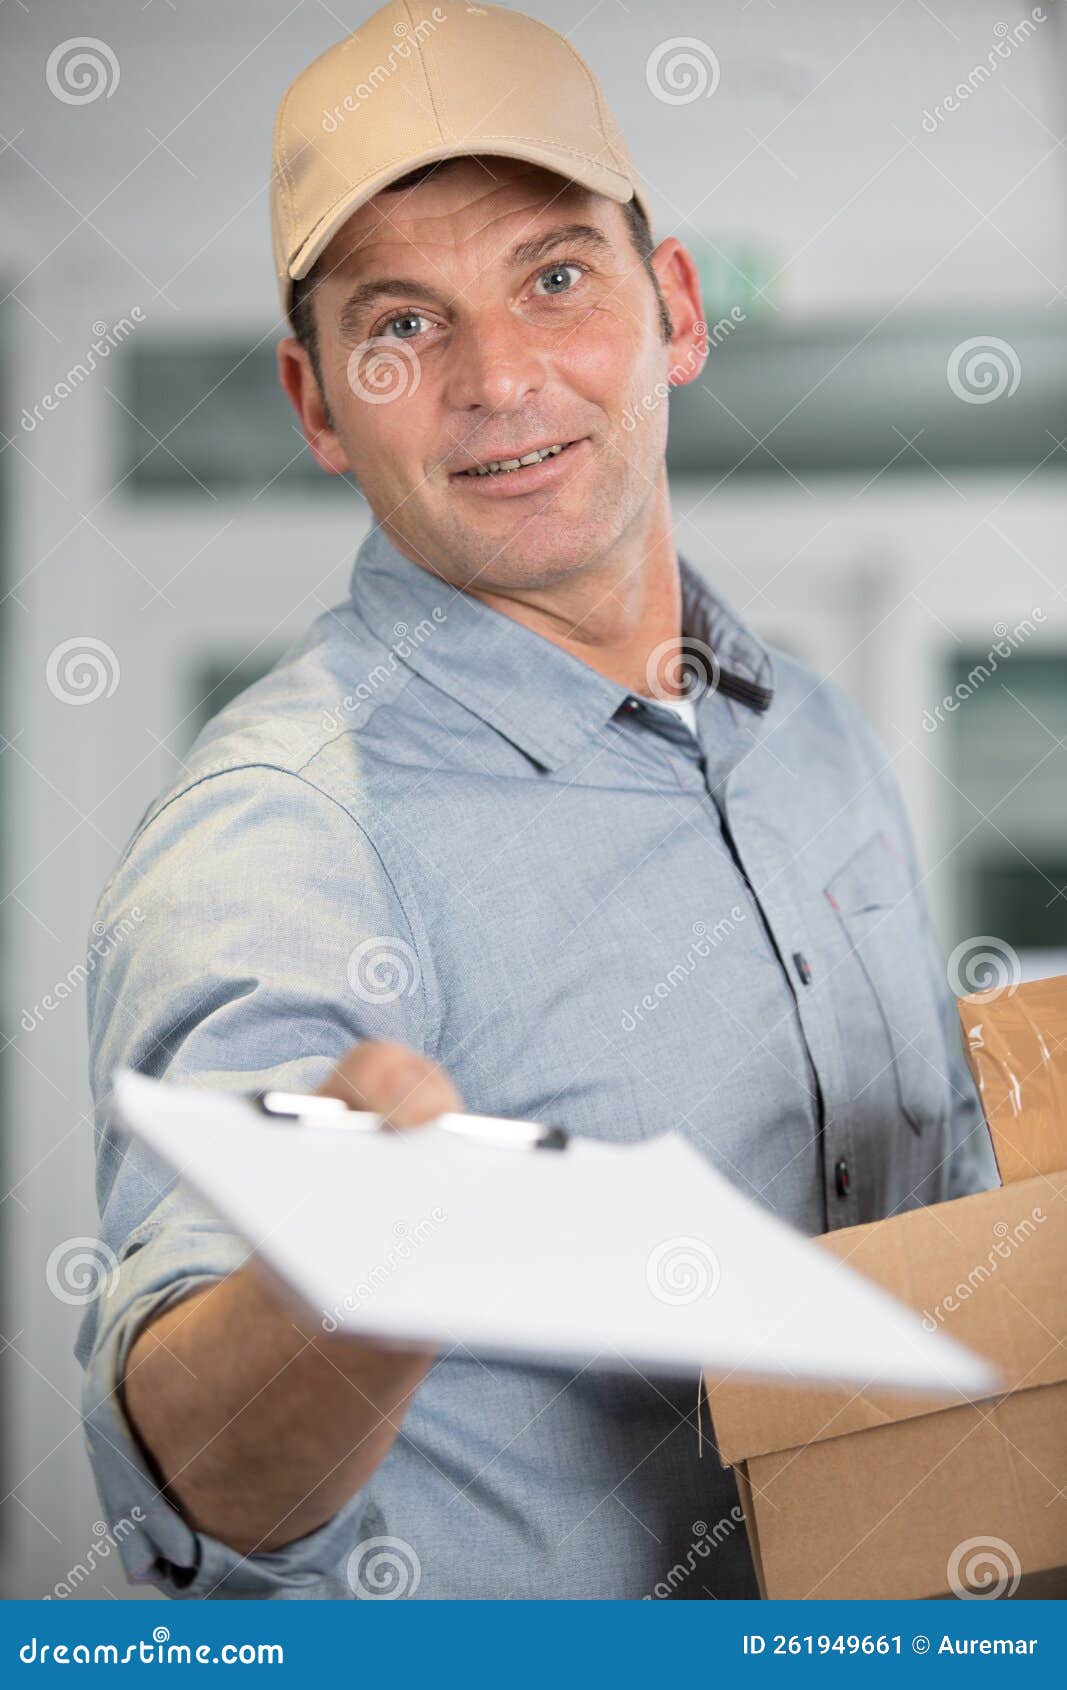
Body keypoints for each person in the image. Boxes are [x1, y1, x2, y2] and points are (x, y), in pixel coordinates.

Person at [77, 0, 997, 1601]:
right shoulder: (285, 832)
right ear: (315, 402)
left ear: (677, 307)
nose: (500, 376)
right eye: (402, 324)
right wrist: (356, 1265)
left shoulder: (817, 741)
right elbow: (197, 1477)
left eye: (555, 277)